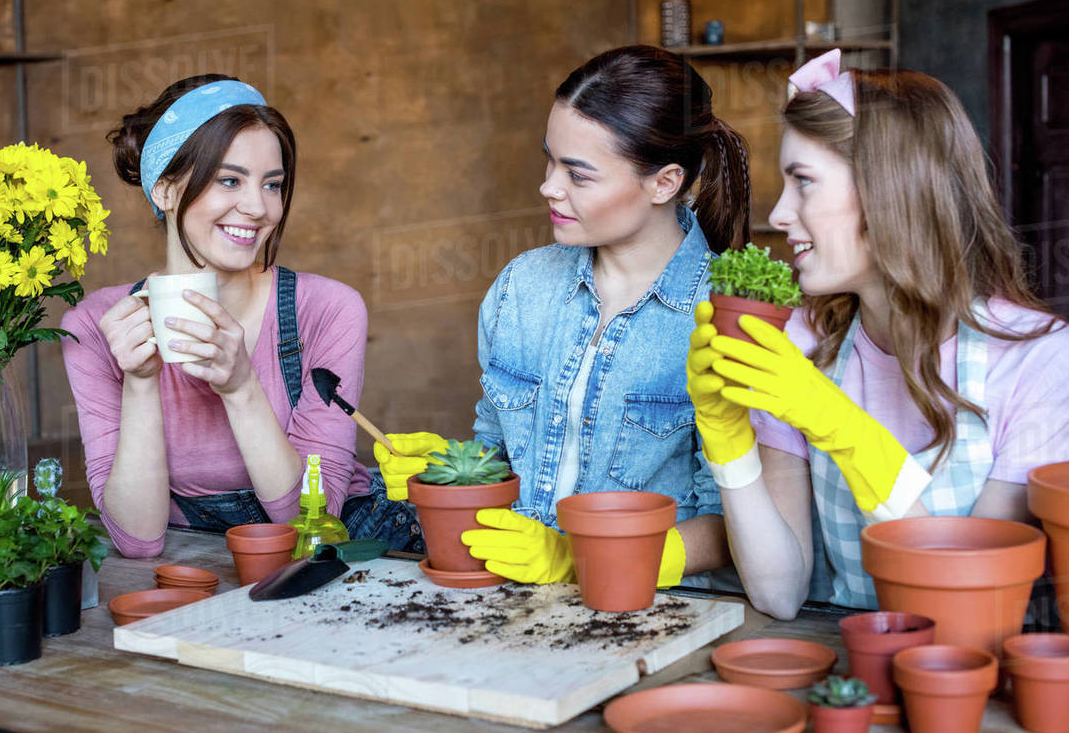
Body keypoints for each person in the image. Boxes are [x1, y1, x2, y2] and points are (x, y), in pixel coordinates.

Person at [688, 50, 1069, 620]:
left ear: (889, 191)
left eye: (805, 183)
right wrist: (728, 442)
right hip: (845, 666)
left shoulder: (1036, 359)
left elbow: (965, 603)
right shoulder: (799, 344)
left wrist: (847, 433)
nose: (781, 213)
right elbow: (780, 593)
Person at [375, 45, 752, 588]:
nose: (549, 186)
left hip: (652, 607)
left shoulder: (726, 315)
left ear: (663, 183)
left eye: (578, 174)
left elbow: (734, 523)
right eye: (550, 159)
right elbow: (501, 453)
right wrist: (450, 471)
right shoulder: (521, 286)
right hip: (513, 595)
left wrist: (576, 558)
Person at [62, 74, 385, 558]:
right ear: (166, 189)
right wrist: (142, 382)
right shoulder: (94, 328)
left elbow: (311, 525)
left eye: (272, 185)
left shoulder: (328, 310)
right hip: (201, 573)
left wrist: (240, 387)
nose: (258, 208)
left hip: (334, 565)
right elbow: (139, 539)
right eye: (229, 180)